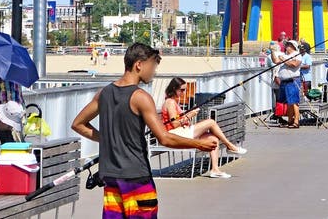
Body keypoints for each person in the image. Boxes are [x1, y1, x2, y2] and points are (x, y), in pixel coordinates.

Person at [72, 43, 217, 216]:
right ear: (139, 65)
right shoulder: (141, 97)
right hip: (136, 179)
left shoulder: (104, 93)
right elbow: (164, 138)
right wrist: (199, 144)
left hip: (111, 178)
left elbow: (78, 124)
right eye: (152, 66)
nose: (154, 72)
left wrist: (108, 139)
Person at [161, 77, 246, 178]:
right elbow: (174, 124)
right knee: (211, 122)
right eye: (182, 90)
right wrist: (190, 115)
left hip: (182, 131)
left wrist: (187, 116)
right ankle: (230, 146)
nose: (184, 92)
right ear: (174, 89)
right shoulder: (170, 102)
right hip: (175, 134)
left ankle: (215, 169)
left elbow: (179, 120)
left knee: (213, 139)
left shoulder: (174, 101)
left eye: (185, 90)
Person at [272, 39, 302, 128]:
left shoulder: (298, 55)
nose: (286, 46)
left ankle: (296, 121)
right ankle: (290, 120)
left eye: (288, 45)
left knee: (294, 102)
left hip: (292, 81)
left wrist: (284, 60)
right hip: (284, 81)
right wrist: (272, 51)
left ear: (293, 46)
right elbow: (275, 61)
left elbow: (294, 64)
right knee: (288, 102)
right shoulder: (285, 55)